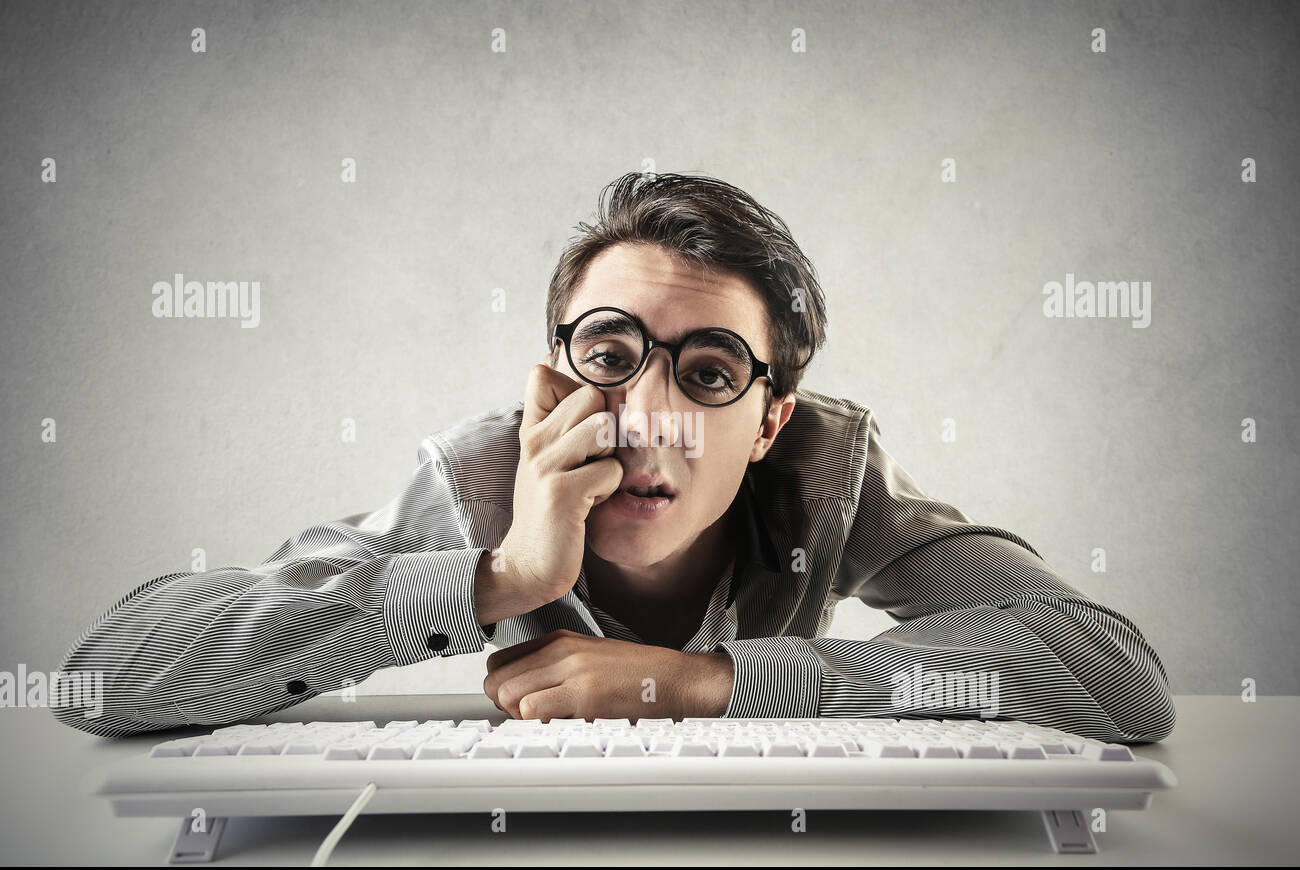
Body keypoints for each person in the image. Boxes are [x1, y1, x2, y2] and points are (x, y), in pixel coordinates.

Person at [51, 172, 1175, 742]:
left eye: (711, 371)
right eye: (609, 352)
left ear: (773, 419)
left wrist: (699, 684)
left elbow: (1112, 671)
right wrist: (499, 578)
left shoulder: (827, 470)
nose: (648, 415)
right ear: (551, 376)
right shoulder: (491, 474)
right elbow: (103, 672)